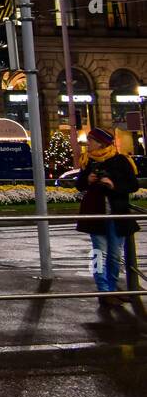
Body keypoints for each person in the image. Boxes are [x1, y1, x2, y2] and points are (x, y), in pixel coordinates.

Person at [75, 127, 141, 307]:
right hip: (95, 215)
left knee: (114, 255)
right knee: (98, 253)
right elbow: (79, 185)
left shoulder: (120, 160)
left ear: (101, 143)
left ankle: (112, 288)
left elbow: (132, 185)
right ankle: (103, 290)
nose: (87, 144)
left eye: (91, 141)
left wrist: (113, 185)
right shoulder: (88, 161)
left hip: (116, 215)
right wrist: (87, 180)